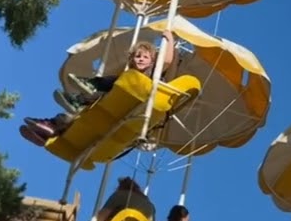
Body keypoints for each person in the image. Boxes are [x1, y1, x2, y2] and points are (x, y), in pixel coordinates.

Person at [19, 32, 177, 146]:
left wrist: (169, 39)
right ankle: (51, 129)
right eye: (137, 56)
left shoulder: (152, 74)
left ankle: (87, 89)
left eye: (145, 57)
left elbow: (167, 61)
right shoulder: (128, 72)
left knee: (114, 80)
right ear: (132, 59)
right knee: (75, 116)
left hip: (132, 98)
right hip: (112, 99)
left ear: (152, 61)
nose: (141, 59)